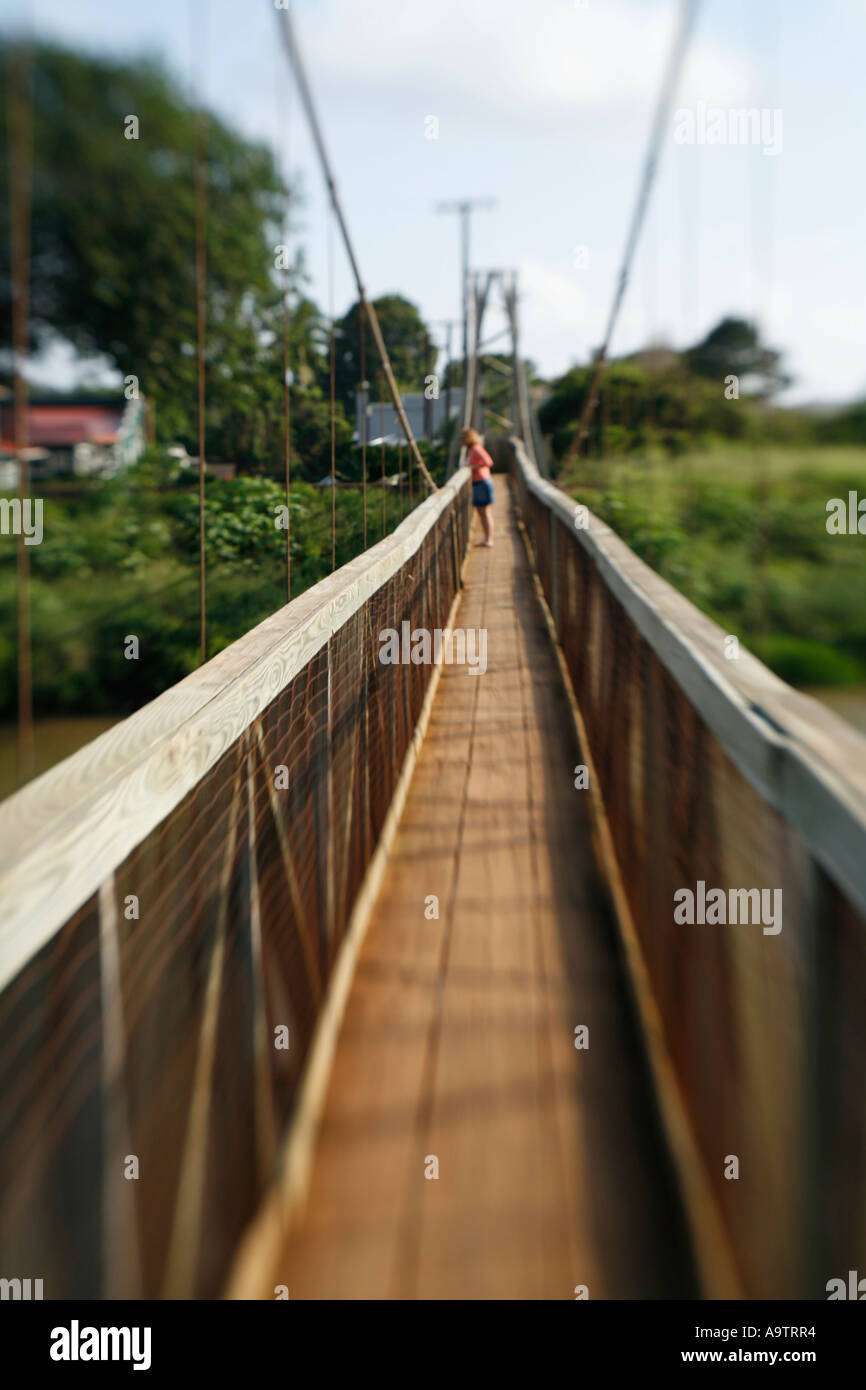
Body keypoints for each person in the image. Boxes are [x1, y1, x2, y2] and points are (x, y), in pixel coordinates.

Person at [462, 427, 494, 547]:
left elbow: (489, 462)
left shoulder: (475, 448)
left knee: (485, 512)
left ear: (468, 438)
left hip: (481, 482)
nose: (461, 440)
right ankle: (487, 539)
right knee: (482, 513)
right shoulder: (472, 449)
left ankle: (489, 540)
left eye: (463, 438)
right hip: (479, 482)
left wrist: (473, 468)